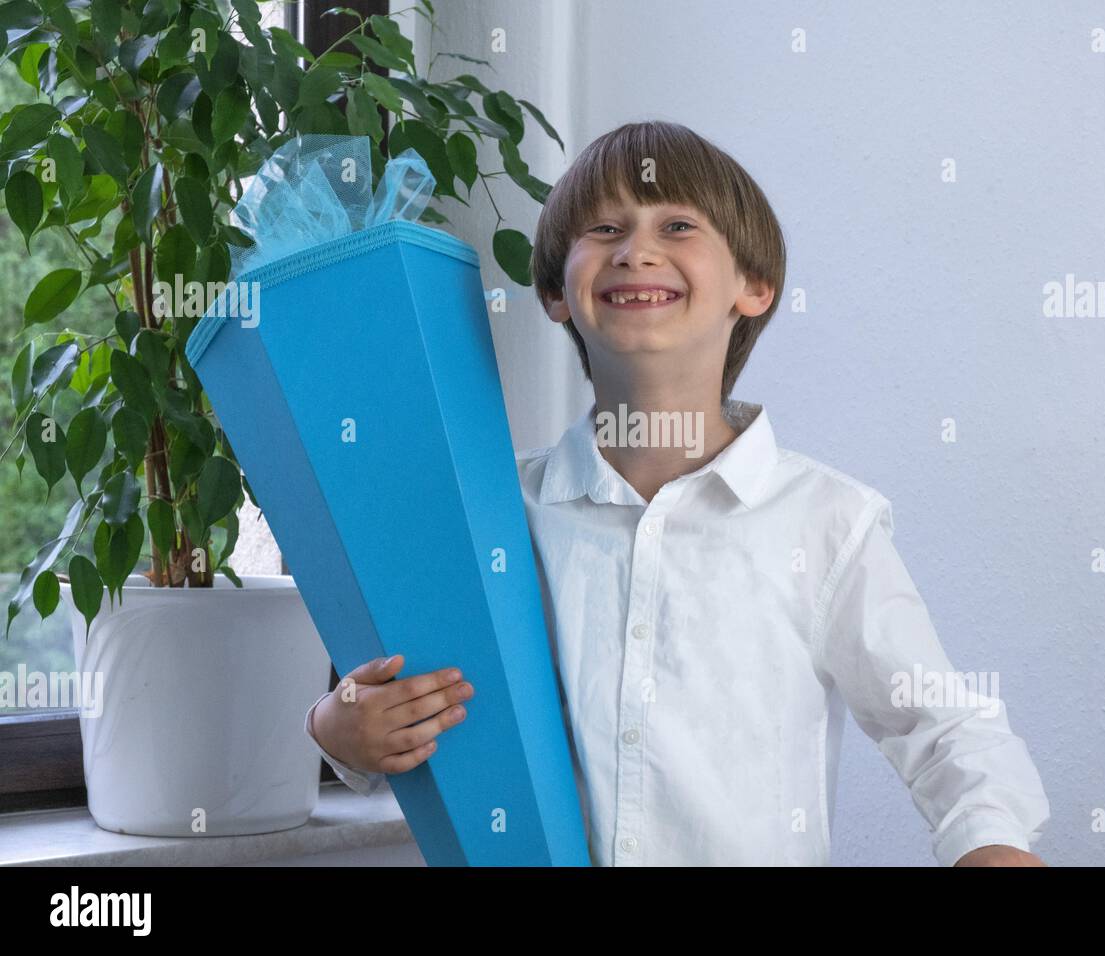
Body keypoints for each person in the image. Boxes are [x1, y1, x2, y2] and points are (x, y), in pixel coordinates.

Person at [306, 120, 1050, 866]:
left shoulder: (827, 524)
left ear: (753, 287)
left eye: (678, 225)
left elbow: (944, 725)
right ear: (555, 293)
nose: (636, 249)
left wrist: (990, 842)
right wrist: (339, 729)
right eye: (604, 228)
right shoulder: (496, 510)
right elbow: (401, 692)